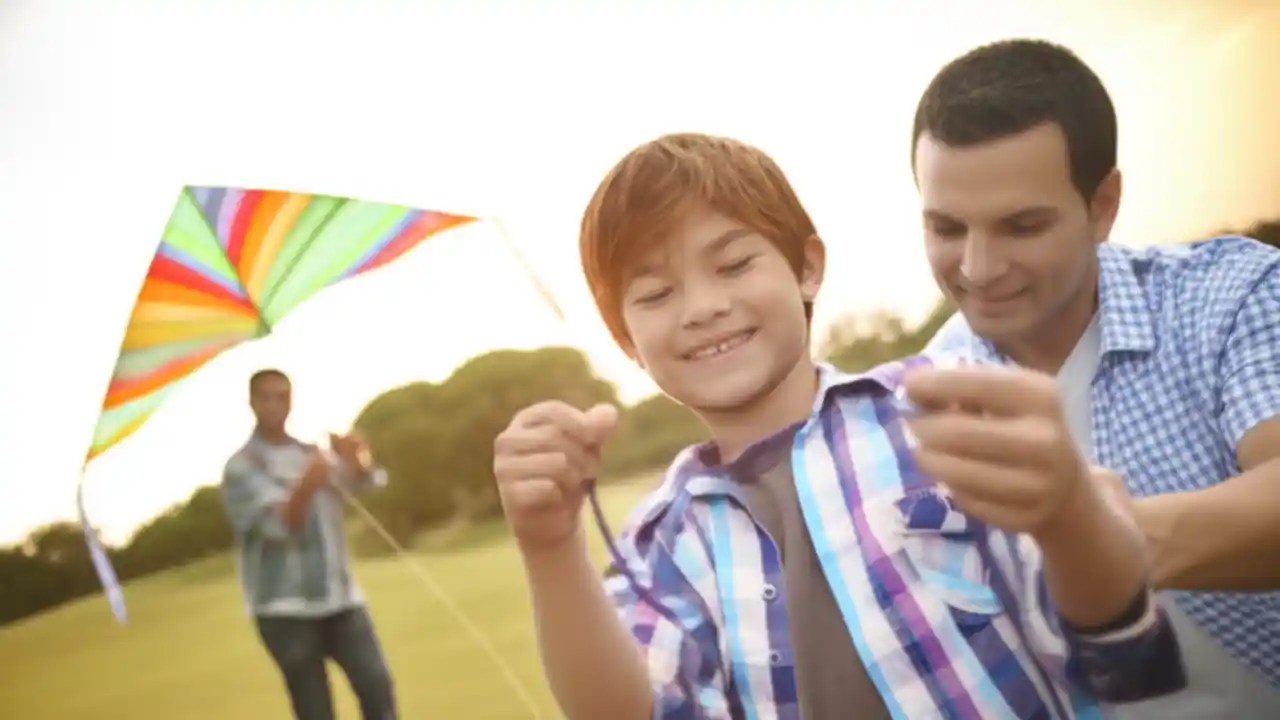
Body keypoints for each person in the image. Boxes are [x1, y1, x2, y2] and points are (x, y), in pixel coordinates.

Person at [493, 132, 1185, 719]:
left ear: (807, 268)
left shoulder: (941, 411)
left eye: (733, 263)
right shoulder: (661, 544)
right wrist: (550, 548)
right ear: (627, 343)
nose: (702, 306)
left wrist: (1069, 514)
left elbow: (1117, 644)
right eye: (656, 294)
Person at [914, 39, 1280, 717]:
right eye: (946, 228)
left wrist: (1094, 538)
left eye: (1021, 226)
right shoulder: (926, 388)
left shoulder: (1230, 295)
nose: (979, 266)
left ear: (1103, 204)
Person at [220, 368, 397, 720]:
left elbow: (365, 483)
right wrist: (307, 483)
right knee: (315, 710)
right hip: (284, 610)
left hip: (341, 599)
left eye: (282, 396)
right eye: (266, 397)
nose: (274, 405)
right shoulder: (241, 467)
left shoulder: (310, 451)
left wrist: (354, 457)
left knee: (377, 687)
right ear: (252, 403)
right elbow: (278, 527)